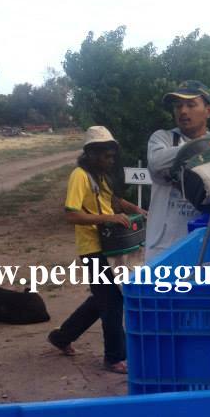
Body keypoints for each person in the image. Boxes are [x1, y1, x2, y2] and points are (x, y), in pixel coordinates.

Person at [48, 125, 145, 374]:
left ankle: (62, 337)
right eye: (105, 155)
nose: (109, 160)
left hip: (110, 246)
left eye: (112, 156)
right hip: (92, 249)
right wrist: (109, 219)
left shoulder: (100, 175)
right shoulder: (79, 176)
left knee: (103, 298)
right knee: (112, 301)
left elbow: (111, 201)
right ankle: (114, 357)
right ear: (90, 153)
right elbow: (71, 214)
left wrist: (134, 208)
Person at [145, 80, 210, 262]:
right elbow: (156, 164)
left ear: (208, 111)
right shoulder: (163, 138)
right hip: (162, 249)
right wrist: (209, 142)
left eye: (191, 104)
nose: (183, 111)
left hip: (203, 247)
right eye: (178, 106)